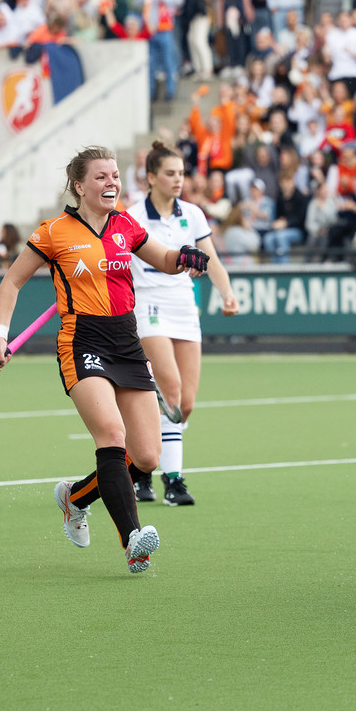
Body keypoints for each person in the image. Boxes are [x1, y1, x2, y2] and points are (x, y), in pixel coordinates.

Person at [0, 146, 209, 574]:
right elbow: (11, 284)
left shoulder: (125, 224)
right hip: (81, 340)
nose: (112, 183)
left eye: (114, 176)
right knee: (111, 433)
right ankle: (132, 539)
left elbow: (163, 259)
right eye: (101, 177)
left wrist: (184, 257)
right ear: (79, 186)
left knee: (146, 457)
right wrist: (1, 337)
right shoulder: (54, 231)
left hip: (126, 341)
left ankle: (75, 498)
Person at [126, 142, 240, 506]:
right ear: (151, 177)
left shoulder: (192, 214)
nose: (178, 180)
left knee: (185, 404)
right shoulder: (130, 217)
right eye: (170, 173)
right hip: (149, 305)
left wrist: (226, 293)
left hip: (183, 306)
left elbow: (211, 258)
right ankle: (173, 480)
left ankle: (139, 470)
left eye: (181, 173)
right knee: (170, 391)